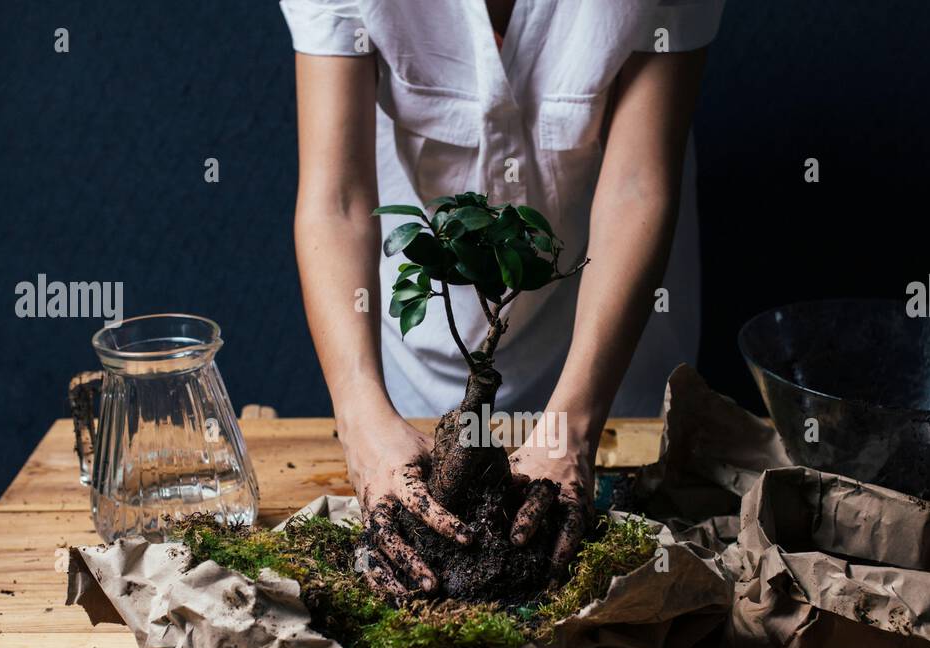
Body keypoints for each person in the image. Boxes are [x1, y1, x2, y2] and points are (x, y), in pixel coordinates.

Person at [284, 0, 723, 590]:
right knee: (436, 510)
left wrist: (573, 429)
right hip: (429, 330)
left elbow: (638, 186)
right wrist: (362, 417)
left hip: (609, 330)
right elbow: (336, 200)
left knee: (613, 548)